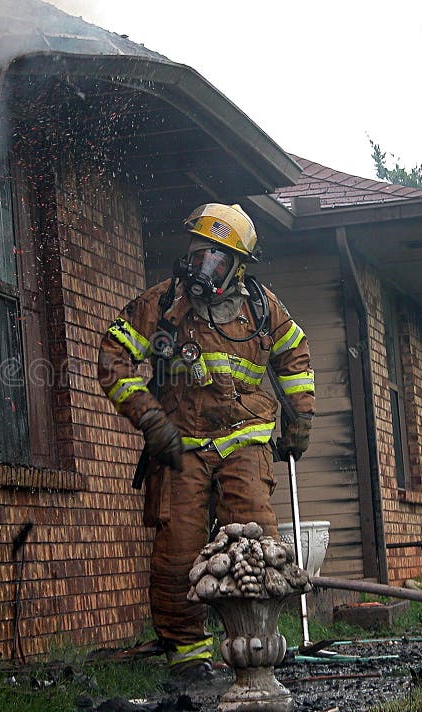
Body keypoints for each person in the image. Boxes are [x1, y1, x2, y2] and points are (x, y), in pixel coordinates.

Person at [97, 203, 314, 678]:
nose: (202, 271)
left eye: (215, 262)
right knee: (178, 551)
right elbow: (112, 359)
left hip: (245, 440)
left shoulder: (262, 308)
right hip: (182, 445)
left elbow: (295, 358)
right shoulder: (162, 305)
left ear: (237, 268)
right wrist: (151, 419)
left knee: (255, 544)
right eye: (196, 258)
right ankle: (189, 656)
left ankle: (256, 640)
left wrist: (301, 419)